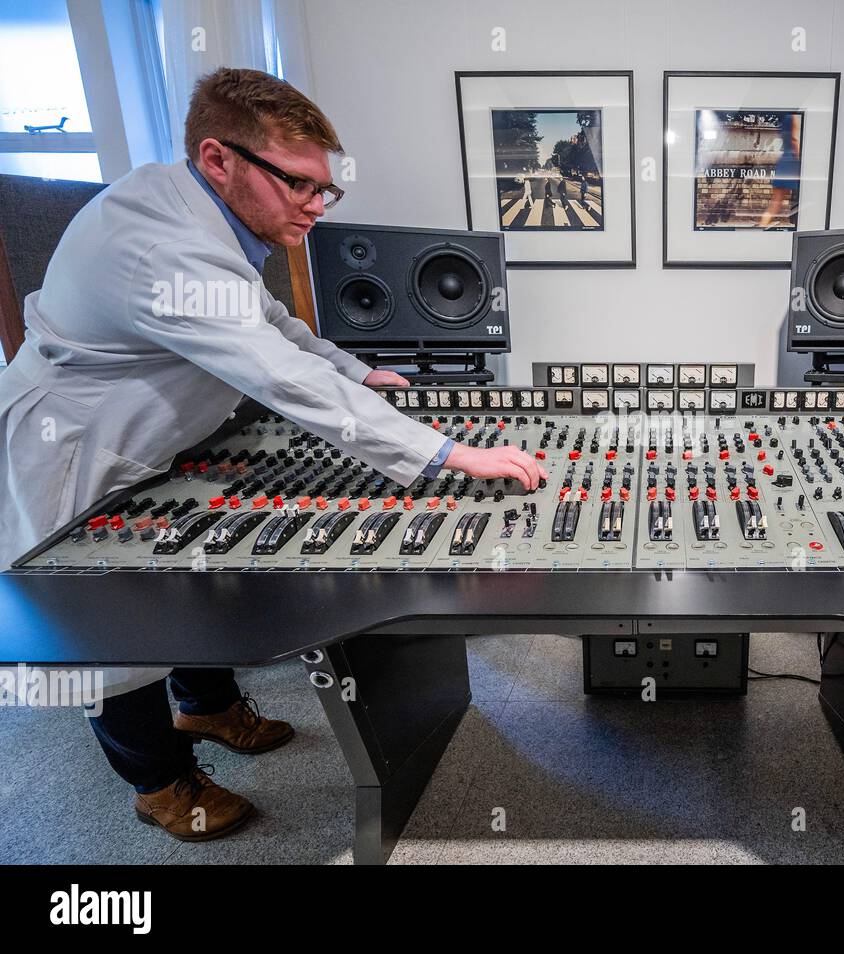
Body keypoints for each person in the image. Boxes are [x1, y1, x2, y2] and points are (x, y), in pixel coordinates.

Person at [0, 68, 546, 842]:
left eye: (326, 190)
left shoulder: (206, 217)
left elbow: (274, 326)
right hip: (76, 449)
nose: (318, 206)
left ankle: (207, 708)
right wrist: (448, 454)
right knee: (110, 622)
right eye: (300, 185)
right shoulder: (158, 243)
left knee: (182, 575)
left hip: (159, 441)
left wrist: (360, 372)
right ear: (220, 159)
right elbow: (277, 372)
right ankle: (160, 785)